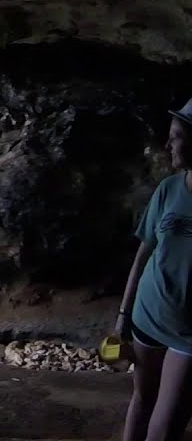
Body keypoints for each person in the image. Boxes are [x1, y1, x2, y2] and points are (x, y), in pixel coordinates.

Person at [118, 98, 192, 441]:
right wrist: (124, 314)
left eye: (176, 136)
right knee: (142, 401)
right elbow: (144, 253)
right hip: (148, 316)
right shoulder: (169, 189)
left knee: (164, 430)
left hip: (189, 332)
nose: (167, 144)